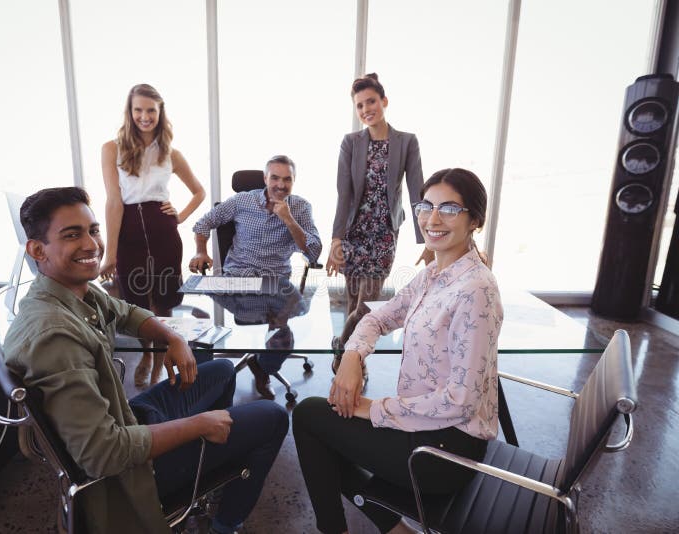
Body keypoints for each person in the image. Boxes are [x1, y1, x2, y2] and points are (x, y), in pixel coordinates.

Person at [4, 187, 288, 534]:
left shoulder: (69, 292)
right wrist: (198, 424)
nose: (92, 244)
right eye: (72, 235)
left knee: (223, 371)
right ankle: (225, 524)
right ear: (37, 249)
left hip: (127, 420)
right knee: (273, 417)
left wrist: (174, 337)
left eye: (93, 230)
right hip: (128, 475)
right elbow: (102, 454)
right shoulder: (55, 337)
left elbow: (126, 312)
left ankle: (210, 465)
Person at [293, 168, 503, 534]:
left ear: (475, 221)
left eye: (450, 209)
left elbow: (461, 399)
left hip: (446, 450)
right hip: (426, 426)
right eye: (427, 206)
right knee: (322, 423)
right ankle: (393, 529)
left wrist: (375, 408)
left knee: (311, 417)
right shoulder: (433, 275)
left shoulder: (475, 289)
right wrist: (353, 357)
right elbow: (376, 318)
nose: (432, 219)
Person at [189, 154, 322, 398]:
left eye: (287, 179)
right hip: (236, 277)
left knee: (283, 339)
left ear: (294, 181)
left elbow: (313, 252)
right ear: (265, 178)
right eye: (275, 178)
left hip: (275, 284)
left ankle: (262, 368)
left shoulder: (301, 207)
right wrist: (200, 251)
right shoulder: (242, 201)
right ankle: (204, 382)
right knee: (200, 326)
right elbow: (202, 224)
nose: (280, 185)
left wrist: (289, 220)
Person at [100, 83, 206, 388]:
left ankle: (161, 359)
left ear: (160, 113)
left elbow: (199, 192)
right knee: (135, 302)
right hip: (129, 228)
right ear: (130, 112)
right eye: (138, 110)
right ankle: (146, 355)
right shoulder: (112, 149)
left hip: (163, 231)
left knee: (164, 300)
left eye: (150, 110)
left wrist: (180, 217)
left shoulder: (171, 153)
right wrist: (110, 253)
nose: (144, 116)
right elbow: (113, 202)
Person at [326, 73, 427, 373]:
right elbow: (343, 194)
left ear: (384, 101)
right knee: (353, 302)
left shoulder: (406, 142)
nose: (366, 109)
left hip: (384, 235)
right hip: (353, 234)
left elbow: (416, 190)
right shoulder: (350, 143)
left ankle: (342, 351)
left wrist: (427, 240)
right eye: (359, 105)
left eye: (371, 101)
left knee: (365, 306)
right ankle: (357, 363)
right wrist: (335, 239)